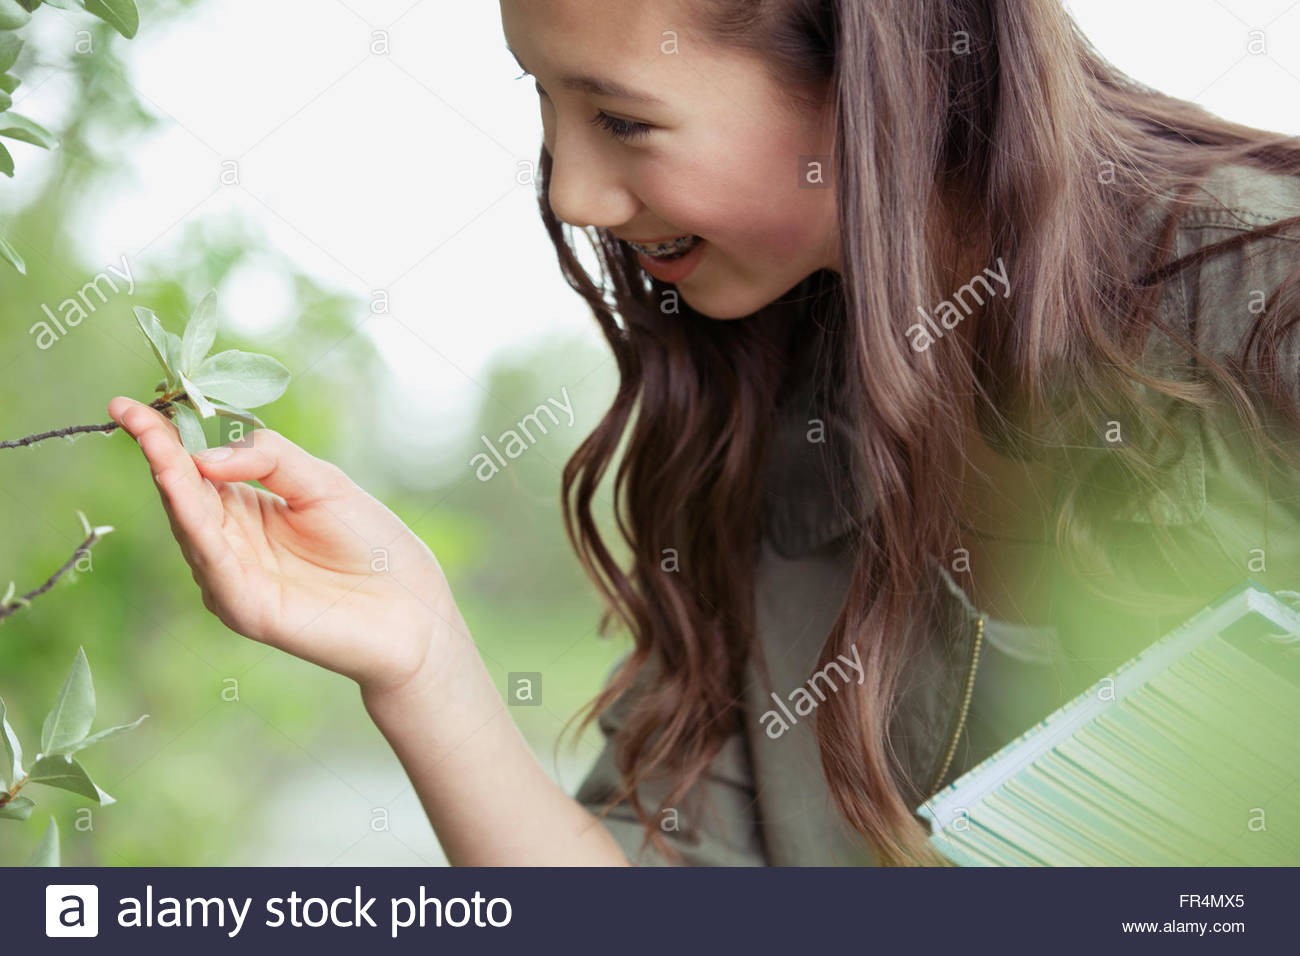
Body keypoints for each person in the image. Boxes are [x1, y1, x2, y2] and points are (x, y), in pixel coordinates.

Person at [108, 0, 1300, 866]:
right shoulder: (765, 416)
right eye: (545, 98)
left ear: (868, 75)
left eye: (622, 119)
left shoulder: (1262, 305)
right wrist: (422, 658)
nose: (570, 190)